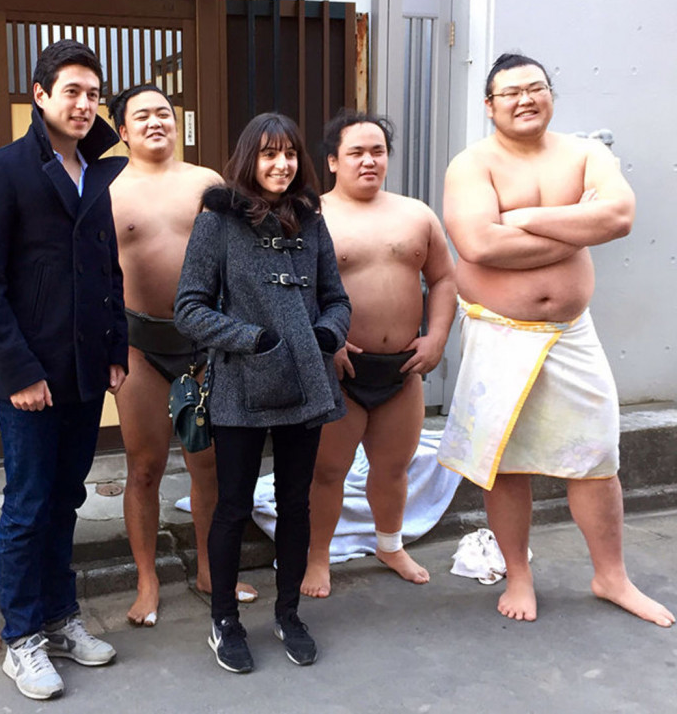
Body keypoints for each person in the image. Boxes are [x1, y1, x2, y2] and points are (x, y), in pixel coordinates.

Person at [439, 52, 674, 627]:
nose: (526, 99)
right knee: (507, 463)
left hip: (571, 333)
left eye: (536, 87)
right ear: (489, 105)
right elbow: (479, 245)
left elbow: (618, 217)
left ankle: (610, 576)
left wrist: (520, 218)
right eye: (511, 92)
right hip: (498, 335)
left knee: (597, 456)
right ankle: (519, 573)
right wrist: (573, 224)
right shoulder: (472, 165)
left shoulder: (587, 152)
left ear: (551, 94)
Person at [0, 39, 128, 701]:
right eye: (73, 92)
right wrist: (19, 368)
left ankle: (61, 618)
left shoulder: (96, 172)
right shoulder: (1, 172)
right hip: (29, 376)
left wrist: (116, 347)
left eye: (94, 94)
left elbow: (106, 271)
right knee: (28, 505)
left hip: (86, 371)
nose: (86, 104)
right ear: (39, 95)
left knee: (68, 496)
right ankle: (23, 635)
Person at [175, 113, 351, 673]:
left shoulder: (311, 221)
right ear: (249, 159)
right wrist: (257, 339)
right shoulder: (217, 222)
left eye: (290, 154)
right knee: (232, 506)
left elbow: (337, 298)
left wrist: (327, 333)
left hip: (306, 383)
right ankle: (224, 619)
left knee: (296, 503)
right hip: (242, 387)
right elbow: (189, 309)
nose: (281, 165)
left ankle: (289, 612)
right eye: (269, 154)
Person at [107, 85, 258, 627]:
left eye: (164, 113)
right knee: (143, 466)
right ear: (121, 129)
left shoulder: (207, 183)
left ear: (178, 124)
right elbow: (94, 276)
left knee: (208, 465)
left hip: (204, 343)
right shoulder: (105, 187)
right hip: (139, 344)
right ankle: (148, 581)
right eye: (141, 115)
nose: (155, 122)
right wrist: (107, 346)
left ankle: (211, 572)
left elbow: (237, 257)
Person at [300, 110, 456, 598]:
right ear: (332, 161)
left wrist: (436, 337)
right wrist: (327, 340)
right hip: (337, 368)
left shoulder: (416, 213)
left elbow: (445, 279)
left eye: (378, 151)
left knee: (393, 468)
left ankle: (390, 544)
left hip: (402, 369)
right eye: (356, 152)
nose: (368, 161)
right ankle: (318, 558)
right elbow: (293, 292)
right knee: (327, 472)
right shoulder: (311, 215)